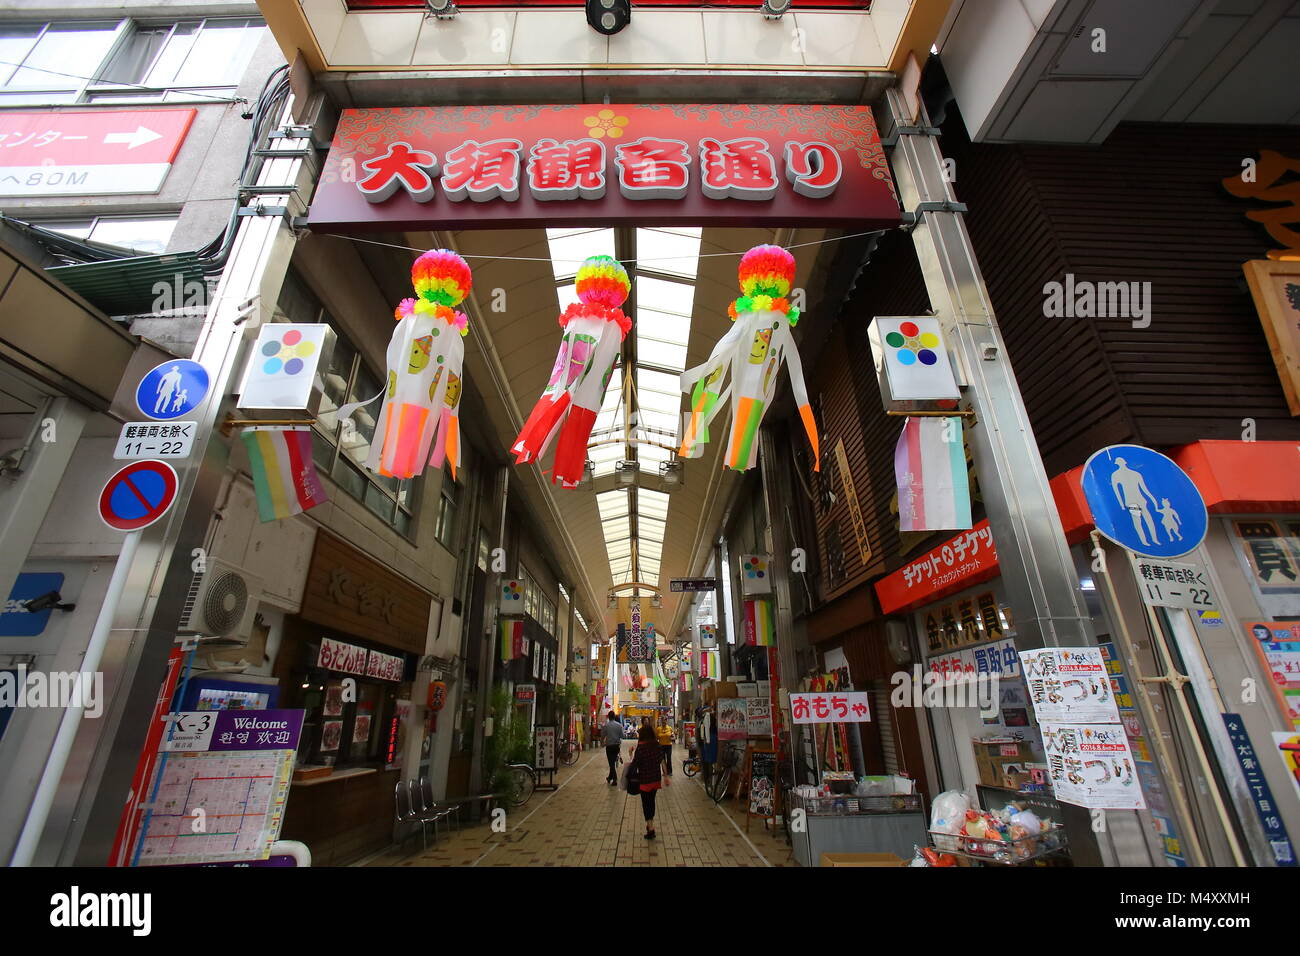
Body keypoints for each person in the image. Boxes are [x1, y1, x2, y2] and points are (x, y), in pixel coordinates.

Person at [628, 723, 668, 839]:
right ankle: (650, 824)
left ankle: (651, 828)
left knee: (646, 804)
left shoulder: (640, 748)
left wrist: (631, 754)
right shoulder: (657, 745)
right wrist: (665, 776)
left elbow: (634, 764)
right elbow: (662, 761)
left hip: (644, 780)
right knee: (651, 801)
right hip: (655, 779)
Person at [602, 711, 623, 785]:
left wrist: (602, 742)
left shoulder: (606, 725)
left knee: (611, 763)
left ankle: (615, 779)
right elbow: (622, 736)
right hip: (616, 746)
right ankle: (609, 777)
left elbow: (603, 735)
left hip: (609, 746)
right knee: (612, 762)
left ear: (608, 717)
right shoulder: (619, 725)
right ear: (614, 717)